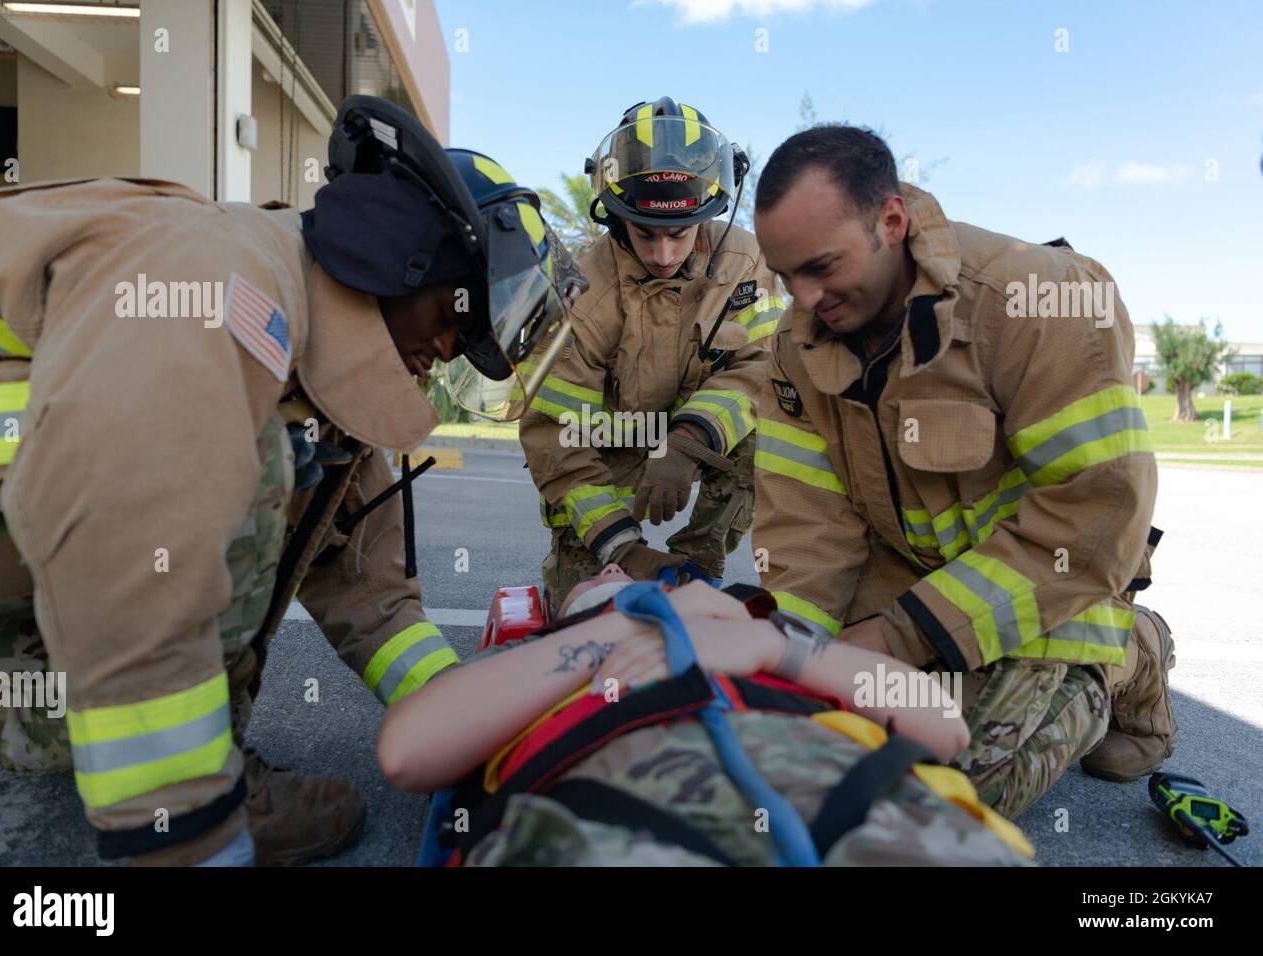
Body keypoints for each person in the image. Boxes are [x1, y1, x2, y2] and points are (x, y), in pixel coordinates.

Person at [0, 96, 581, 866]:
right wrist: (191, 832)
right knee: (255, 465)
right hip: (33, 509)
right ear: (404, 255)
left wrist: (477, 726)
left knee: (274, 463)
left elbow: (369, 597)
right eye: (456, 321)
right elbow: (128, 523)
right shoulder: (221, 276)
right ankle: (192, 783)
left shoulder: (316, 376)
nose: (447, 354)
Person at [748, 124, 1176, 818]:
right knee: (821, 756)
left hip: (1052, 584)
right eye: (785, 275)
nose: (802, 299)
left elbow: (1098, 517)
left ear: (891, 221)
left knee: (946, 794)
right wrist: (793, 661)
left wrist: (897, 637)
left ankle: (1131, 653)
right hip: (909, 582)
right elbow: (805, 524)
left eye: (821, 267)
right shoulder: (799, 345)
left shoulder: (1038, 300)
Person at [379, 568, 1035, 866]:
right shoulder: (546, 666)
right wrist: (621, 624)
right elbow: (407, 752)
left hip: (875, 817)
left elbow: (944, 724)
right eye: (601, 577)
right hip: (611, 830)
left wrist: (774, 646)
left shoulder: (759, 643)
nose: (614, 568)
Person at [518, 98, 789, 614]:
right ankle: (611, 559)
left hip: (699, 445)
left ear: (706, 216)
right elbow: (554, 434)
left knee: (770, 435)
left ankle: (697, 570)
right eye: (645, 234)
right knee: (586, 612)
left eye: (680, 235)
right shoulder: (579, 292)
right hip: (606, 458)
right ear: (617, 217)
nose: (664, 256)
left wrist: (689, 441)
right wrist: (623, 549)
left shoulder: (745, 263)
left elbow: (763, 367)